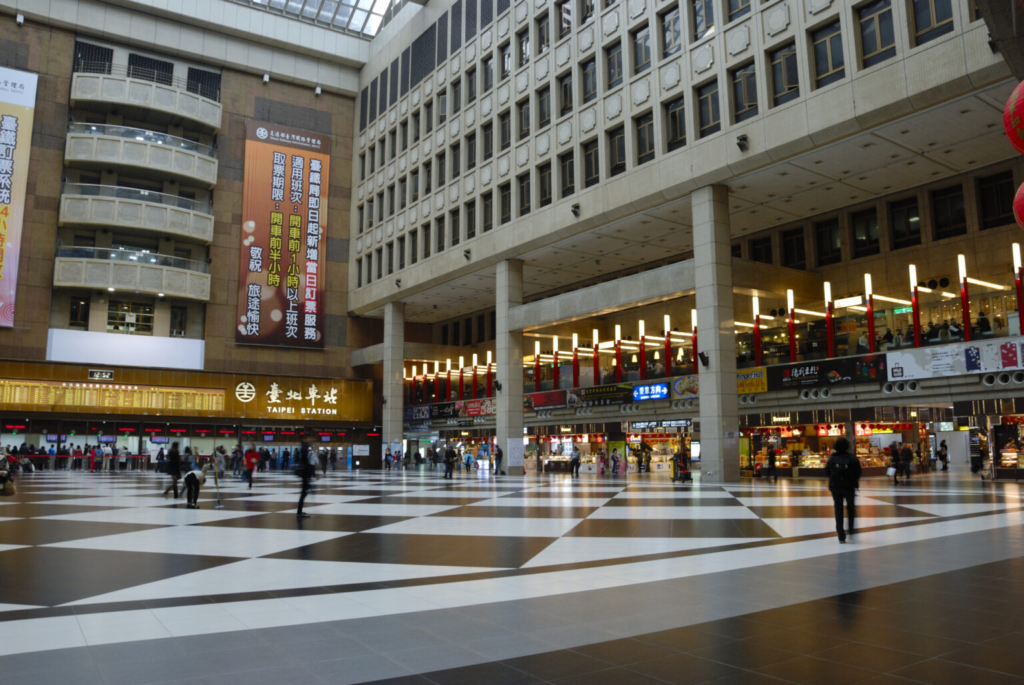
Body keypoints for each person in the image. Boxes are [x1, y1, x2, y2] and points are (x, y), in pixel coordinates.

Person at [824, 437, 861, 543]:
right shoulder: (852, 458)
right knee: (851, 508)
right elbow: (858, 472)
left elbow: (826, 472)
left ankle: (841, 534)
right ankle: (851, 529)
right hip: (849, 487)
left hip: (836, 487)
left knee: (838, 509)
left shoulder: (832, 458)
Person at [296, 441, 316, 518]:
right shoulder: (305, 452)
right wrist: (310, 474)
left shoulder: (304, 451)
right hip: (305, 475)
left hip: (305, 475)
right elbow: (307, 464)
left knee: (304, 493)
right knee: (304, 493)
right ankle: (299, 512)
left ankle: (299, 511)